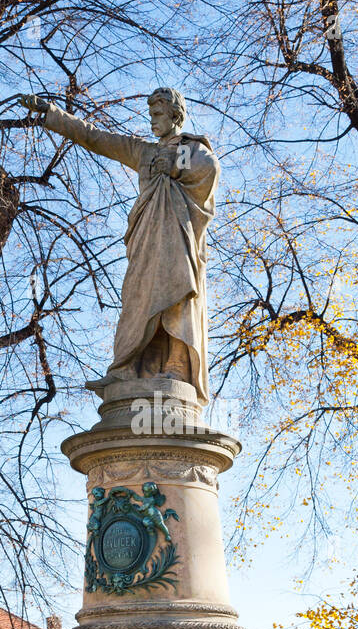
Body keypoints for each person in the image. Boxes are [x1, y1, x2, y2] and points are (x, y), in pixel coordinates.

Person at [18, 86, 218, 405]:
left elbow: (205, 167)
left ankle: (175, 367)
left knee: (174, 294)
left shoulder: (186, 147)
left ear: (175, 115)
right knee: (138, 298)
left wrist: (176, 167)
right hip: (146, 238)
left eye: (157, 115)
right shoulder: (144, 151)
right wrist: (51, 115)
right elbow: (95, 137)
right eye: (150, 115)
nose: (152, 122)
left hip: (176, 239)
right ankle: (130, 366)